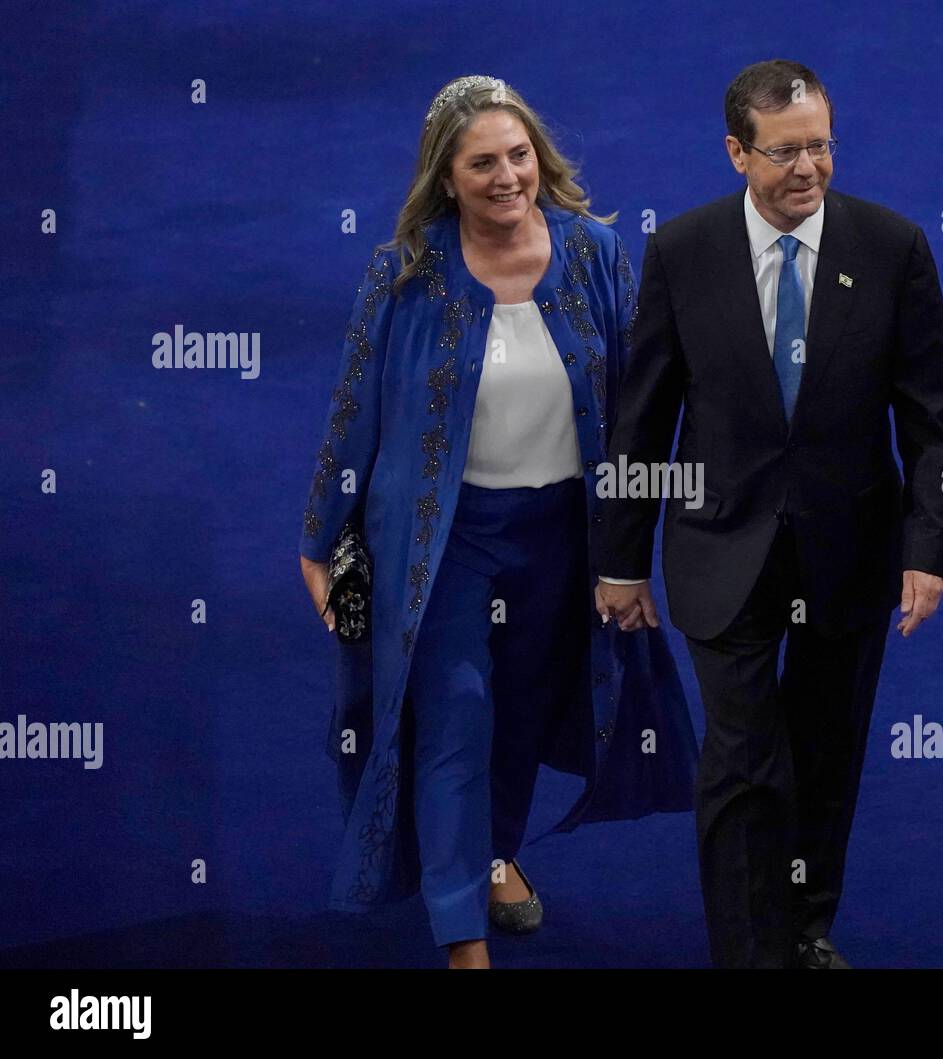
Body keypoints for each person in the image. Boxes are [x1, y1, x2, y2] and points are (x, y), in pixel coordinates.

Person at [299, 75, 696, 969]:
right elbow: (353, 410)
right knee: (457, 717)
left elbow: (638, 402)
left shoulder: (594, 254)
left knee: (518, 715)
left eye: (519, 155)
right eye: (483, 162)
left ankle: (495, 850)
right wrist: (320, 540)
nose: (507, 176)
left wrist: (634, 554)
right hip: (446, 542)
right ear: (447, 178)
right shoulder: (404, 271)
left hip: (564, 534)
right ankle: (461, 936)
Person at [593, 59, 943, 969]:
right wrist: (620, 558)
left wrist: (931, 549)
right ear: (736, 152)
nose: (808, 168)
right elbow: (642, 417)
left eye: (821, 146)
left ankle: (805, 927)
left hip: (850, 548)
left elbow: (933, 419)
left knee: (826, 751)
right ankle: (749, 951)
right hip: (721, 545)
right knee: (743, 755)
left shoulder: (893, 247)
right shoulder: (682, 252)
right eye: (786, 151)